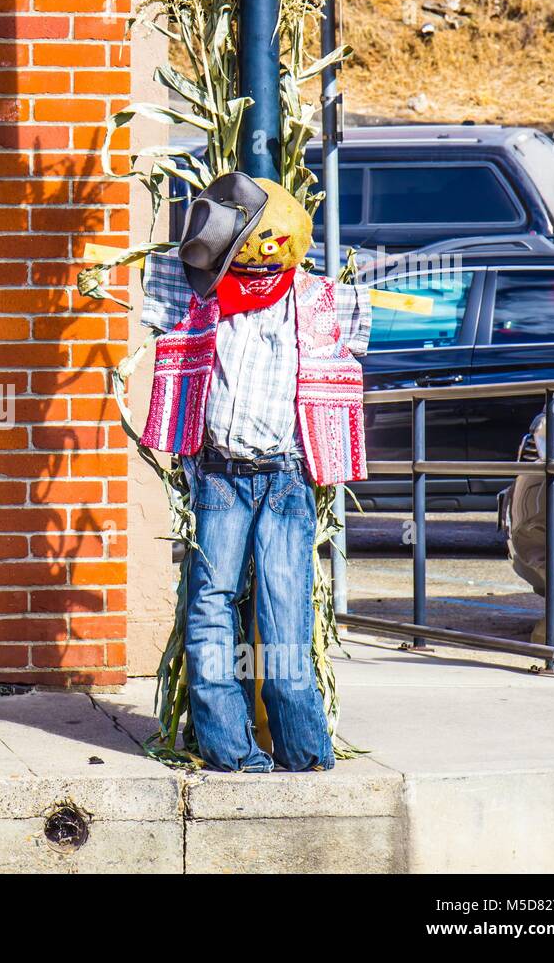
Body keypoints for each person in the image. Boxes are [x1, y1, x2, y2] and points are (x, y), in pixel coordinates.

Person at [140, 173, 371, 772]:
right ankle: (229, 747)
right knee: (209, 603)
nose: (262, 253)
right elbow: (164, 273)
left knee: (284, 607)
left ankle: (304, 746)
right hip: (217, 474)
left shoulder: (320, 298)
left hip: (288, 477)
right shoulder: (198, 301)